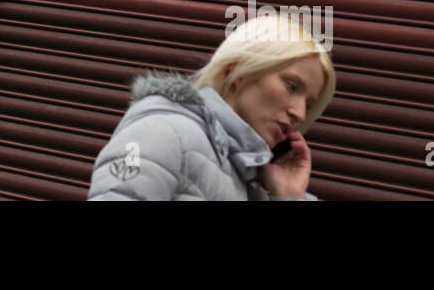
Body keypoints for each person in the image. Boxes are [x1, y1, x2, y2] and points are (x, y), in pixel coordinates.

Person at [87, 12, 335, 200]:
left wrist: (289, 195)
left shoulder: (262, 182)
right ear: (238, 71)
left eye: (309, 103)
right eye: (291, 86)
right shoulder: (163, 132)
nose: (300, 114)